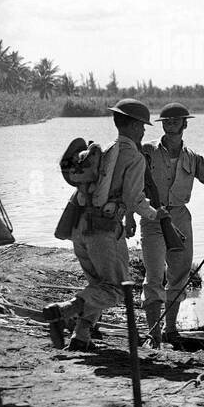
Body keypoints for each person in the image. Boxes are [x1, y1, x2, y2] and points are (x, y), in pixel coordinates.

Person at [44, 99, 168, 351]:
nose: (144, 131)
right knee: (115, 290)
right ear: (133, 126)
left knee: (97, 286)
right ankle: (65, 311)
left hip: (80, 228)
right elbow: (135, 199)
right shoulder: (133, 157)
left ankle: (80, 338)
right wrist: (157, 215)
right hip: (104, 230)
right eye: (142, 126)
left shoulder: (107, 150)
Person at [140, 103, 204, 347]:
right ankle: (153, 334)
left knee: (179, 275)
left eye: (177, 120)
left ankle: (171, 329)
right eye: (167, 120)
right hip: (153, 217)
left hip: (180, 218)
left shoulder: (193, 158)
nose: (172, 123)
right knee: (154, 276)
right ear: (162, 124)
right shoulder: (146, 151)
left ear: (185, 124)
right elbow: (131, 181)